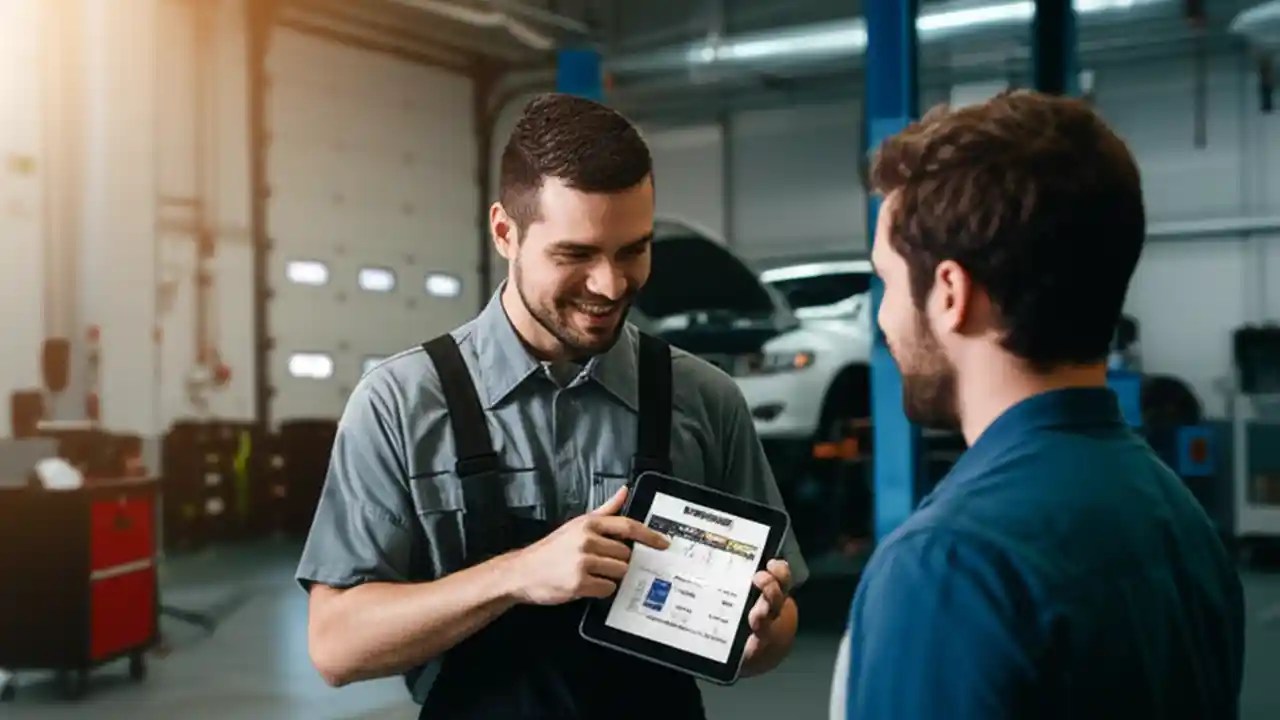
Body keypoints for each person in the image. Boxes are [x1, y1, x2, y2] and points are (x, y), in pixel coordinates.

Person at [296, 92, 808, 719]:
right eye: (576, 255)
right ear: (505, 232)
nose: (611, 285)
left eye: (632, 250)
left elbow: (772, 639)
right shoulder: (400, 406)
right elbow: (336, 644)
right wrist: (517, 576)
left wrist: (761, 630)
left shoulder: (705, 401)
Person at [830, 91, 1244, 719]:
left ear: (950, 292)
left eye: (885, 281)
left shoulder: (948, 563)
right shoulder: (1177, 517)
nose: (884, 319)